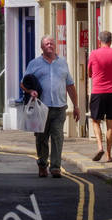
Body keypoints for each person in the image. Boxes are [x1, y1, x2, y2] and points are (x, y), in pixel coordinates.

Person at [22, 36, 80, 178]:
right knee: (41, 138)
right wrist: (30, 91)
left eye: (52, 43)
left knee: (57, 136)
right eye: (47, 44)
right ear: (42, 47)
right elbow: (23, 83)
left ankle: (55, 167)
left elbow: (70, 85)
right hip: (41, 108)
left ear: (56, 46)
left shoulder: (62, 63)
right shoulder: (34, 64)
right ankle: (42, 164)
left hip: (59, 107)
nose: (50, 45)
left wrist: (76, 105)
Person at [87, 29, 112, 162]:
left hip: (98, 91)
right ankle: (108, 155)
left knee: (95, 120)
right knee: (110, 124)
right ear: (111, 40)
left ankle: (99, 146)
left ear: (99, 40)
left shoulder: (94, 54)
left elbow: (89, 73)